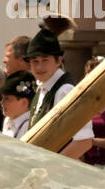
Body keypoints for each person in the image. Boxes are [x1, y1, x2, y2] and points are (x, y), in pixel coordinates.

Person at [24, 22, 93, 159]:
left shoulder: (65, 91)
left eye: (45, 60)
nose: (39, 67)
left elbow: (84, 141)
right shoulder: (42, 87)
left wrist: (50, 168)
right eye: (35, 61)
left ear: (58, 61)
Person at [0, 71, 35, 139]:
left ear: (24, 102)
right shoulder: (7, 120)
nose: (1, 102)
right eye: (2, 98)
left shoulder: (28, 126)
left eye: (7, 99)